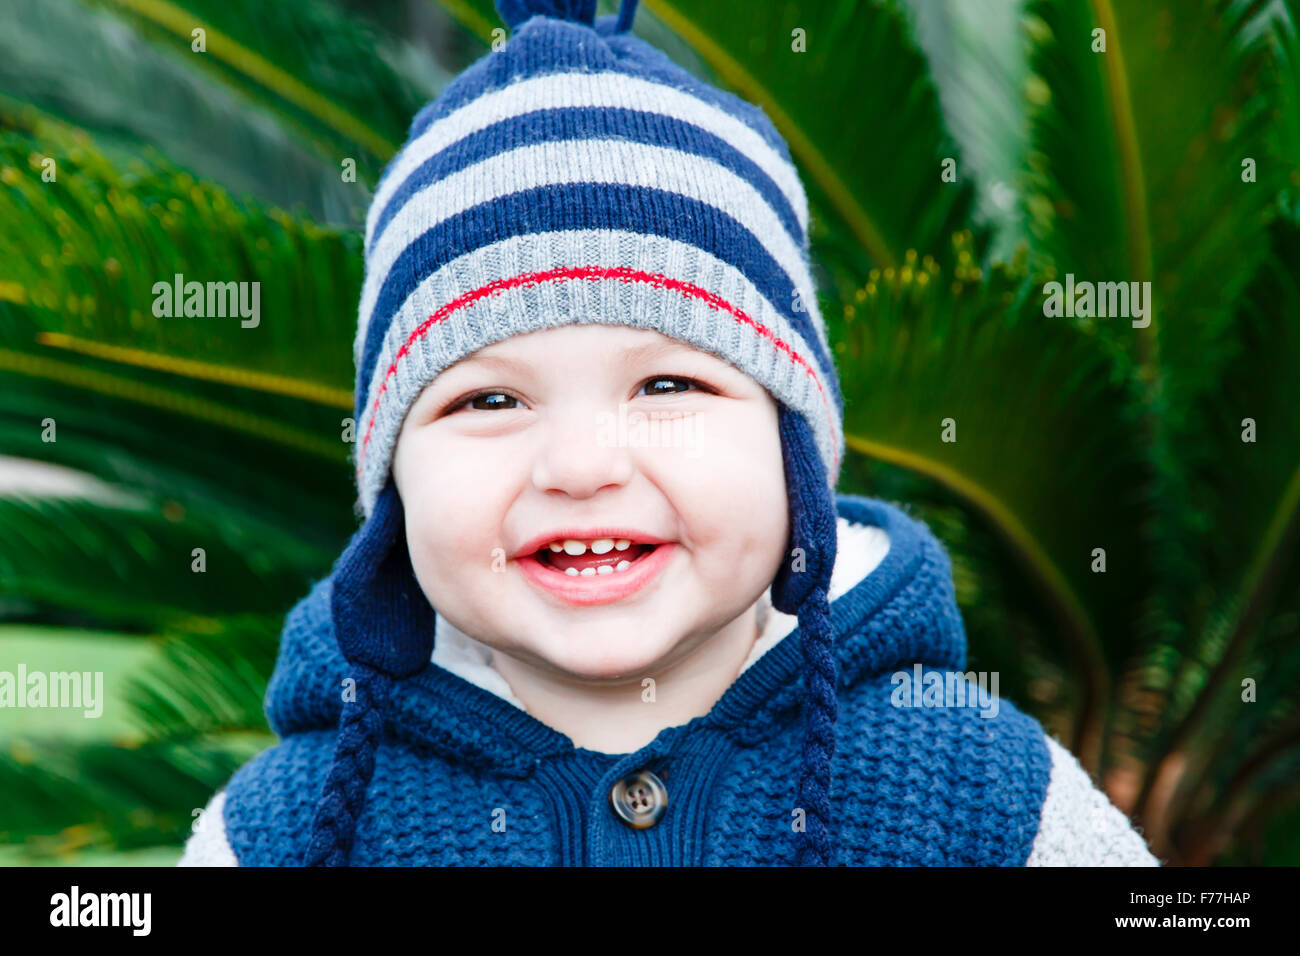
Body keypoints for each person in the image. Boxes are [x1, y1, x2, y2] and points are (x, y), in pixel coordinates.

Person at [178, 0, 1159, 866]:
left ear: (792, 450)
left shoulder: (975, 791)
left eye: (665, 382)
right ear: (391, 479)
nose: (579, 465)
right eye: (487, 401)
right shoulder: (289, 829)